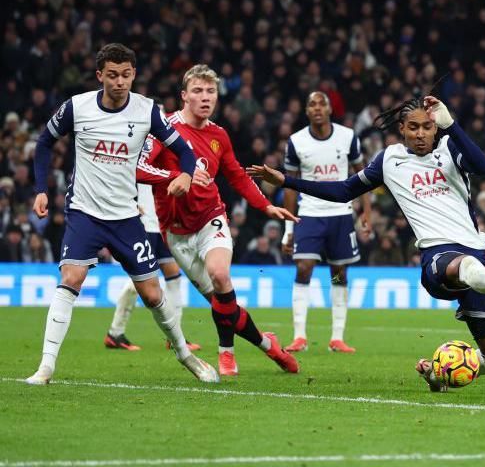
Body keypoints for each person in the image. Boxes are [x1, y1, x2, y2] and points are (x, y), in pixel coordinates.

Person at [248, 96, 485, 391]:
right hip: (438, 254)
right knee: (471, 268)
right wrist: (287, 181)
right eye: (413, 127)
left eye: (427, 127)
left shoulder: (451, 149)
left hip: (477, 245)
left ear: (435, 128)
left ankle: (436, 371)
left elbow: (483, 166)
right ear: (402, 129)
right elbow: (344, 190)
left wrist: (451, 125)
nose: (420, 134)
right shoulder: (389, 160)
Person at [26, 43, 217, 385]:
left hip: (126, 218)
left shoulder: (147, 111)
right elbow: (43, 143)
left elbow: (183, 151)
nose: (119, 82)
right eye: (112, 75)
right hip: (84, 212)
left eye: (126, 75)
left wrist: (186, 175)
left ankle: (185, 355)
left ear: (134, 75)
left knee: (153, 295)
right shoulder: (77, 107)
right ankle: (46, 366)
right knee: (71, 278)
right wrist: (41, 188)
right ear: (100, 76)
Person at [136, 64, 299, 377]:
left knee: (220, 275)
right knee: (223, 305)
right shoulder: (164, 129)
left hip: (211, 216)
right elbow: (138, 167)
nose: (205, 97)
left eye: (210, 91)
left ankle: (227, 354)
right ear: (184, 96)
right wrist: (178, 174)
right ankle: (269, 345)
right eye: (197, 91)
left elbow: (236, 175)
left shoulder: (218, 135)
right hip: (176, 233)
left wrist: (266, 206)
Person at [281, 91, 372, 354]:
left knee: (339, 273)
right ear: (307, 111)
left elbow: (363, 175)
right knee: (304, 267)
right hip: (309, 213)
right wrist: (289, 228)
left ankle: (337, 338)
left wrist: (365, 212)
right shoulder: (296, 141)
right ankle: (299, 336)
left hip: (341, 214)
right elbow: (289, 186)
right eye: (312, 104)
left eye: (322, 104)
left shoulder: (348, 137)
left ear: (330, 109)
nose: (317, 108)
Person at [103, 181, 200, 352]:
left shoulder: (166, 156)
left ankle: (175, 337)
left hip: (161, 222)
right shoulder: (138, 156)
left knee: (174, 276)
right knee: (139, 280)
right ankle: (115, 333)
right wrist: (129, 202)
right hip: (144, 224)